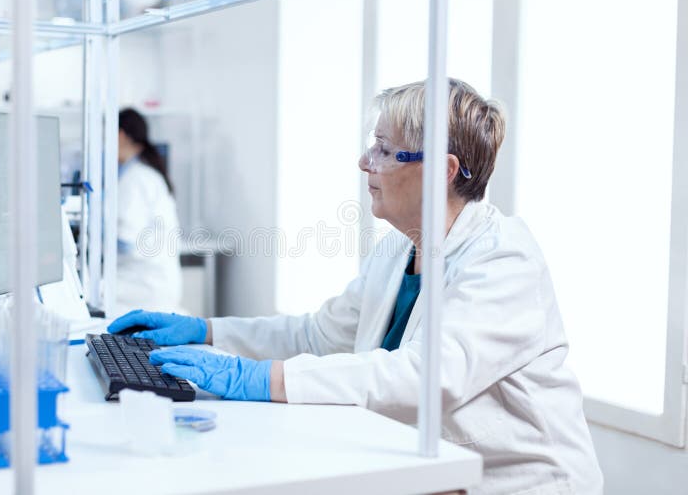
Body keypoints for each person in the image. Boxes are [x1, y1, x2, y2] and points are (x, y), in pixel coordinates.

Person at [108, 80, 603, 494]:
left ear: (443, 171)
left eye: (384, 150)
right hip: (435, 474)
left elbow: (425, 377)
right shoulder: (399, 248)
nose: (365, 162)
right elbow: (319, 336)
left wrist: (260, 379)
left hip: (522, 485)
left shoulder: (505, 259)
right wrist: (208, 331)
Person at [115, 108, 182, 314]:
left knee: (90, 293)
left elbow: (126, 240)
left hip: (145, 284)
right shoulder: (145, 174)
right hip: (156, 280)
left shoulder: (136, 179)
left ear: (120, 135)